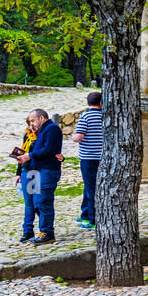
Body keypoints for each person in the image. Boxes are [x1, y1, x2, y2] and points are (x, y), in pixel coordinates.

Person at [16, 108, 62, 245]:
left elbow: (49, 150)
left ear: (41, 118)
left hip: (47, 171)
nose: (31, 124)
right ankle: (38, 231)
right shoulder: (39, 132)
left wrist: (29, 156)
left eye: (32, 120)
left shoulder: (52, 128)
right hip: (35, 171)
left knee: (43, 201)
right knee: (35, 203)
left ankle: (47, 232)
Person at [73, 90, 103, 229]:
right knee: (89, 186)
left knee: (91, 188)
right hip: (101, 157)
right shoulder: (104, 116)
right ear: (101, 103)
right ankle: (85, 214)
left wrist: (73, 138)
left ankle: (93, 220)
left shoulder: (85, 116)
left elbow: (79, 136)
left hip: (88, 158)